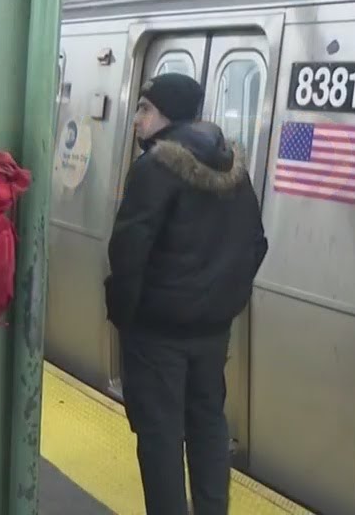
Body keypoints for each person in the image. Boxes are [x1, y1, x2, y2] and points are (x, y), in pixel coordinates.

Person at [106, 72, 268, 515]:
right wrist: (223, 299)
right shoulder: (233, 168)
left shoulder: (153, 168)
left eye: (145, 109)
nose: (137, 119)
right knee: (208, 427)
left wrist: (125, 314)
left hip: (156, 332)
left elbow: (128, 251)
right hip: (213, 332)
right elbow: (257, 243)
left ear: (166, 115)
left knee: (159, 439)